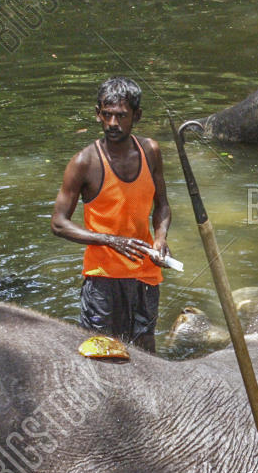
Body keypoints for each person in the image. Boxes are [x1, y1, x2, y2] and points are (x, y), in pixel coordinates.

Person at [51, 76, 171, 351]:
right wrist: (111, 240)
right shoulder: (84, 162)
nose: (113, 124)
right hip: (102, 278)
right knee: (100, 353)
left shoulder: (150, 151)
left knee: (145, 351)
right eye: (107, 115)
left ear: (137, 116)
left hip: (145, 273)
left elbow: (162, 205)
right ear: (98, 115)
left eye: (121, 116)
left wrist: (161, 239)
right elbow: (58, 224)